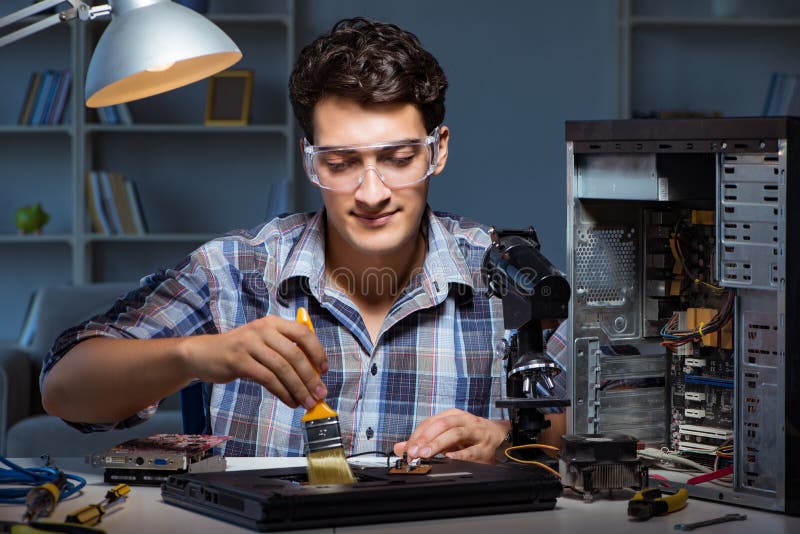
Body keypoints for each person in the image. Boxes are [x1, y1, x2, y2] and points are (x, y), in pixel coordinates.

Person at [41, 17, 565, 464]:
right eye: (340, 164)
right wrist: (193, 355)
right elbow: (63, 390)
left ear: (437, 151)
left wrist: (507, 439)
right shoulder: (235, 268)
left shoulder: (509, 273)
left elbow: (606, 418)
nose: (373, 192)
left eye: (399, 159)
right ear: (310, 160)